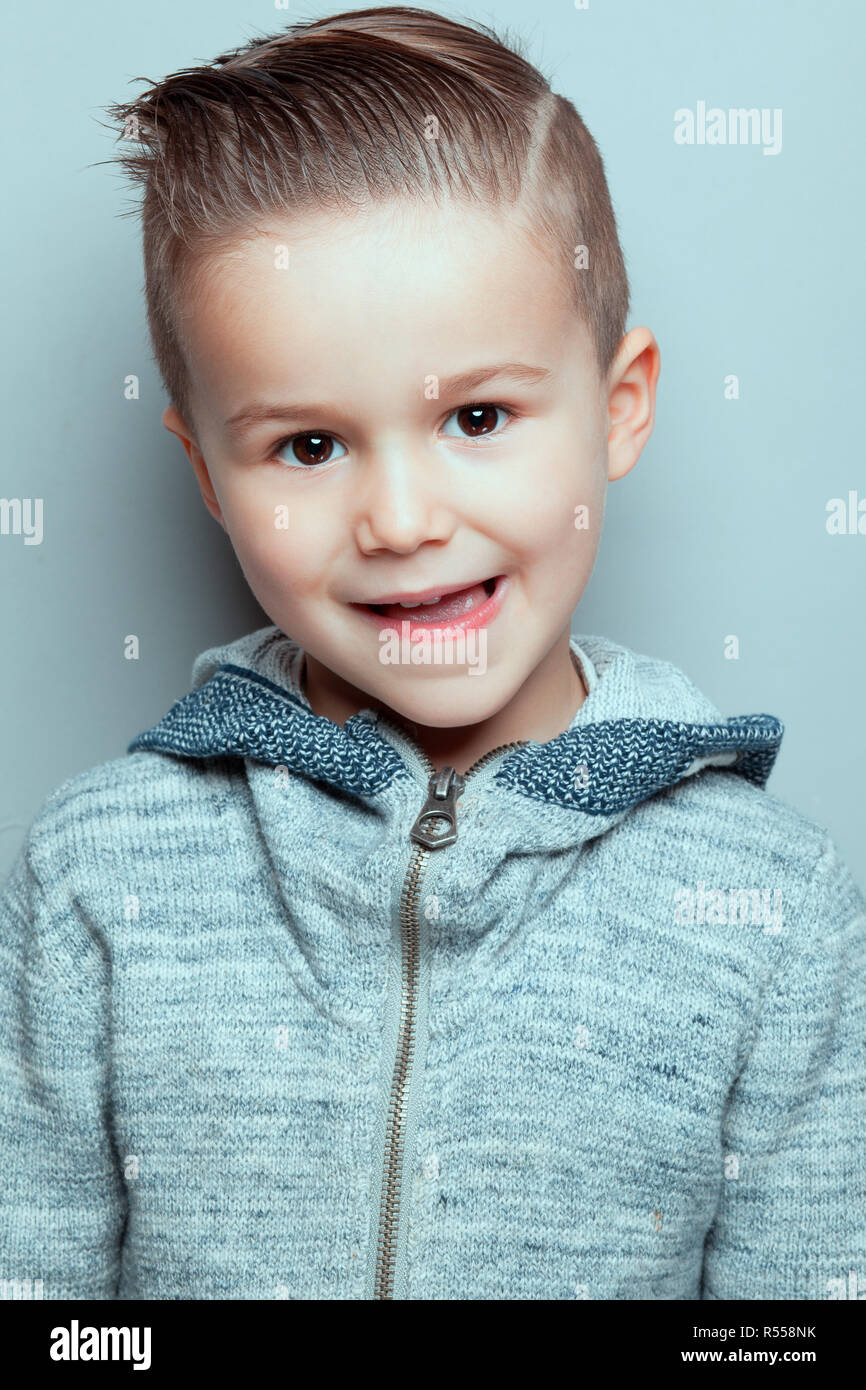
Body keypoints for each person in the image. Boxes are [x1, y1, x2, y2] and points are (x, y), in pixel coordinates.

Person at [1, 6, 863, 1301]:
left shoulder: (773, 909)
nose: (401, 521)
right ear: (206, 474)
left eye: (476, 415)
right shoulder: (94, 870)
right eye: (306, 445)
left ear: (617, 406)